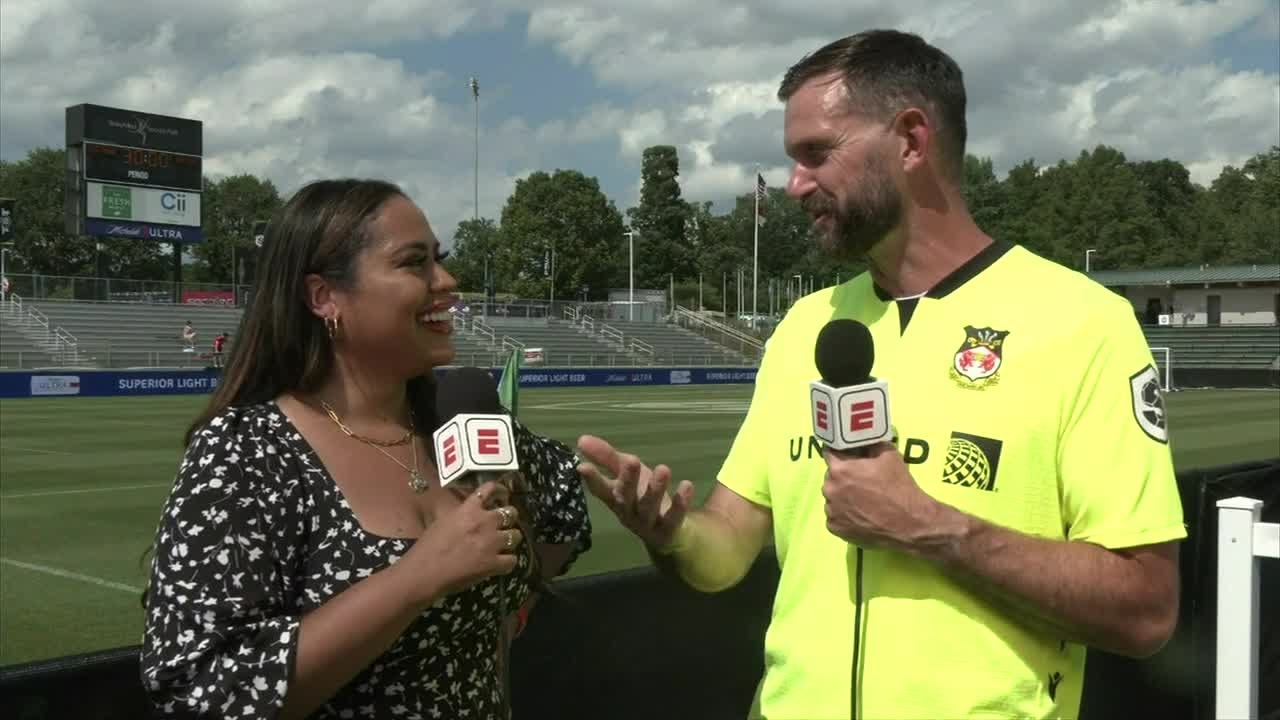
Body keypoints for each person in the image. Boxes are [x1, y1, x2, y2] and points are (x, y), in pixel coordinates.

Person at [576, 29, 1184, 720]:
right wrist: (672, 534)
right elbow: (727, 555)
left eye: (817, 154)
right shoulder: (805, 328)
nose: (796, 184)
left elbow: (1145, 611)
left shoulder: (1080, 323)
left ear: (911, 139)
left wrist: (934, 528)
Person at [140, 178, 592, 719]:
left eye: (439, 260)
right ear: (323, 297)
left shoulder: (459, 416)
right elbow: (202, 692)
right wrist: (415, 580)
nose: (446, 281)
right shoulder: (247, 450)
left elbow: (565, 503)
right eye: (413, 263)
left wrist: (502, 610)